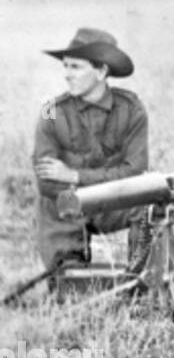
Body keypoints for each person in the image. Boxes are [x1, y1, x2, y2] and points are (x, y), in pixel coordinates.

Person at [33, 28, 149, 270]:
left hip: (112, 204)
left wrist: (76, 176)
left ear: (102, 71)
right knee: (71, 291)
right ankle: (67, 271)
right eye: (65, 66)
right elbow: (46, 181)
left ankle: (139, 278)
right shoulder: (50, 109)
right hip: (68, 207)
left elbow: (135, 172)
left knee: (147, 206)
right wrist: (97, 182)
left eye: (75, 67)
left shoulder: (132, 109)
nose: (66, 75)